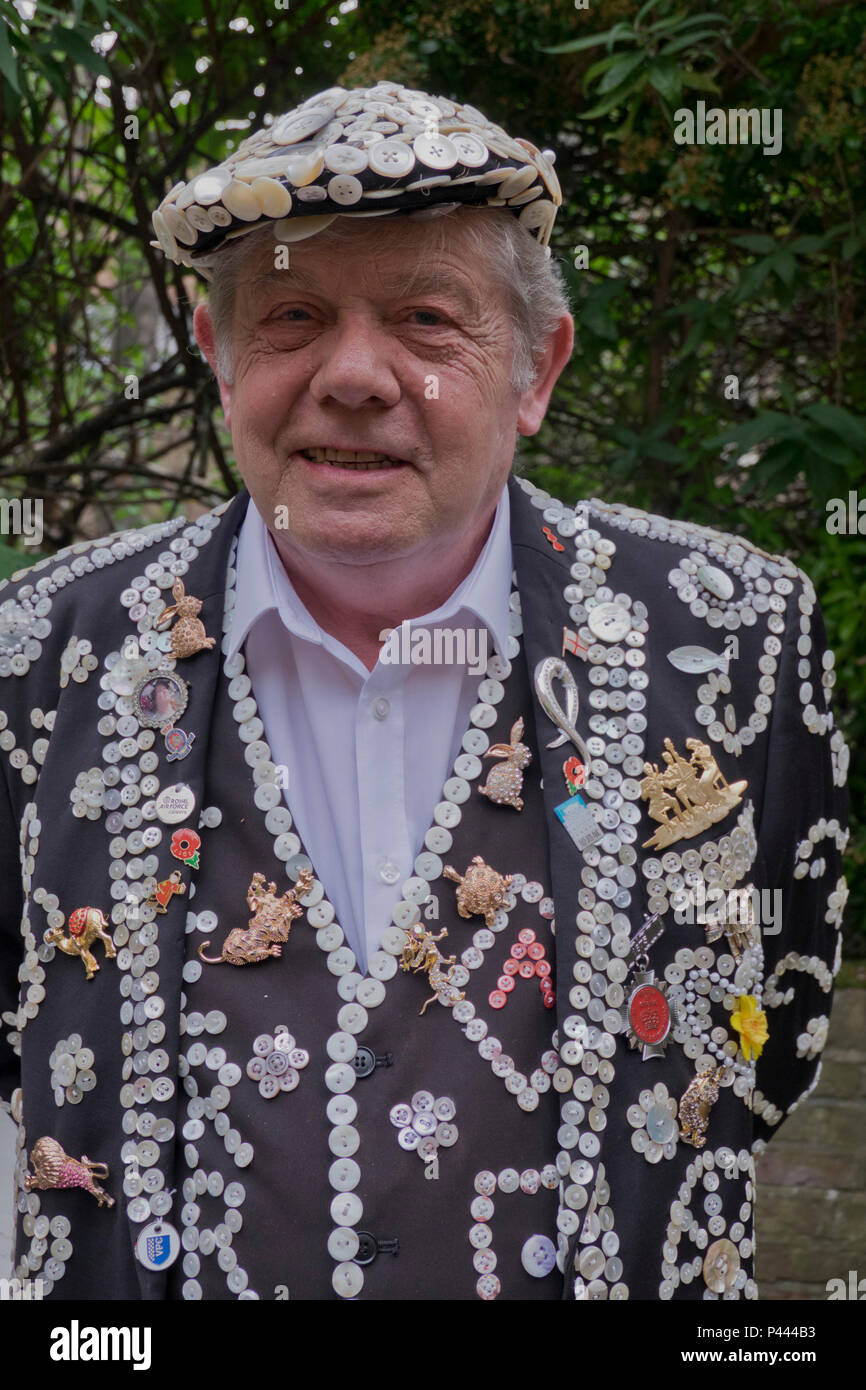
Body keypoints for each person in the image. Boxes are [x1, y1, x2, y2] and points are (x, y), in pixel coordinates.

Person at [0, 80, 848, 1302]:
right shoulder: (36, 653)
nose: (354, 375)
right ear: (216, 357)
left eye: (426, 317)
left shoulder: (731, 644)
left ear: (534, 369)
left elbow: (769, 1045)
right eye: (291, 315)